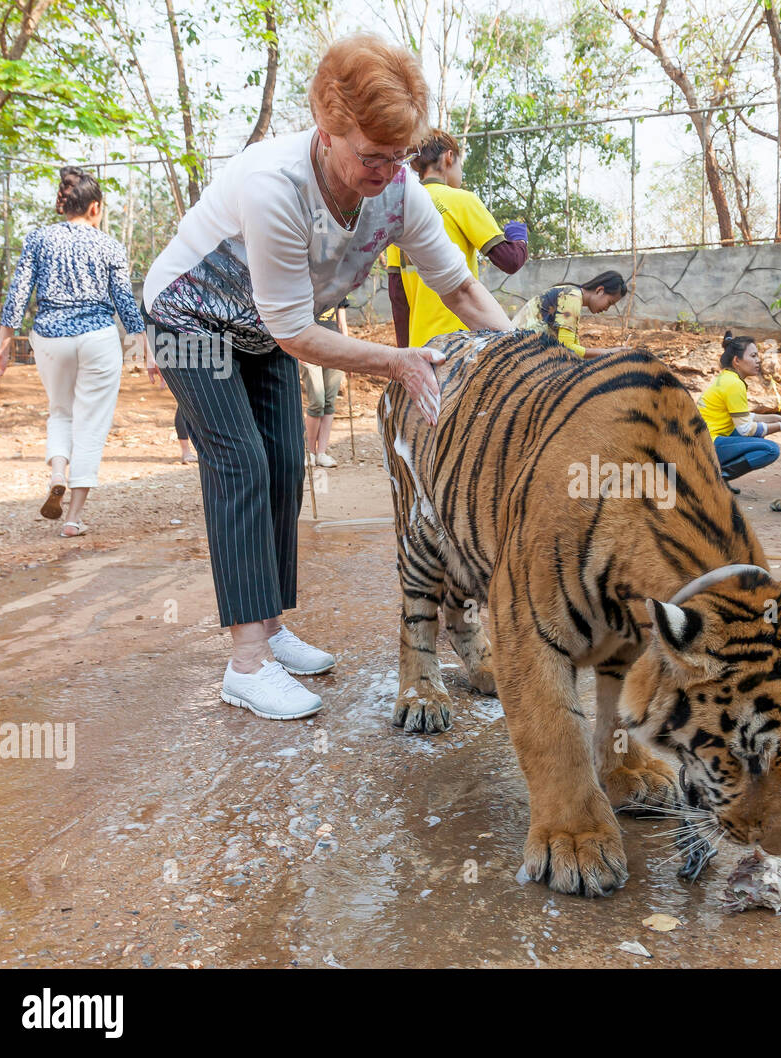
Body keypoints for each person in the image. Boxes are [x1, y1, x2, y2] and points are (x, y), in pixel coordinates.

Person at [141, 33, 511, 722]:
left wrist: (525, 362)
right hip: (189, 318)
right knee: (241, 464)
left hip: (264, 324)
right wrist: (396, 360)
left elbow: (460, 289)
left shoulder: (399, 192)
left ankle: (272, 629)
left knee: (286, 462)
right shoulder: (275, 185)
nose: (384, 171)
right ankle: (246, 663)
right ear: (327, 127)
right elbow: (292, 332)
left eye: (397, 157)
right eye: (370, 155)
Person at [0, 166, 151, 537]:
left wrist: (1, 347)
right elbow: (125, 303)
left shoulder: (39, 239)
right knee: (92, 424)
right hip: (98, 338)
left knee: (60, 412)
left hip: (51, 337)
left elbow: (17, 296)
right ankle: (73, 518)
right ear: (94, 208)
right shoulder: (108, 245)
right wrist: (145, 349)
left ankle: (58, 470)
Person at [393, 128, 528, 347]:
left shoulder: (399, 210)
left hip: (421, 347)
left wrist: (405, 353)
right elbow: (510, 260)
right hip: (461, 347)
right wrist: (519, 238)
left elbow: (398, 296)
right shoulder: (461, 200)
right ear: (449, 157)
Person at [698, 332, 781, 493]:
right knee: (770, 450)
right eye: (753, 356)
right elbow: (746, 429)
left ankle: (717, 475)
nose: (758, 360)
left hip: (704, 438)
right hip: (707, 443)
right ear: (737, 361)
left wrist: (776, 417)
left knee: (757, 434)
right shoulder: (734, 384)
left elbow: (743, 417)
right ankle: (716, 478)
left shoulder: (728, 378)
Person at [512, 271, 628, 358]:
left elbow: (571, 346)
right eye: (609, 302)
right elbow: (566, 348)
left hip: (521, 347)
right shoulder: (573, 297)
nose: (606, 309)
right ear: (600, 290)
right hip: (516, 349)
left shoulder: (572, 294)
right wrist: (609, 352)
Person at [301, 298, 348, 468]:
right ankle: (310, 452)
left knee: (329, 402)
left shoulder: (340, 285)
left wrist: (348, 350)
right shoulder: (305, 283)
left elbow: (342, 322)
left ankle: (322, 452)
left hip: (336, 347)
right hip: (310, 347)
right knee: (317, 401)